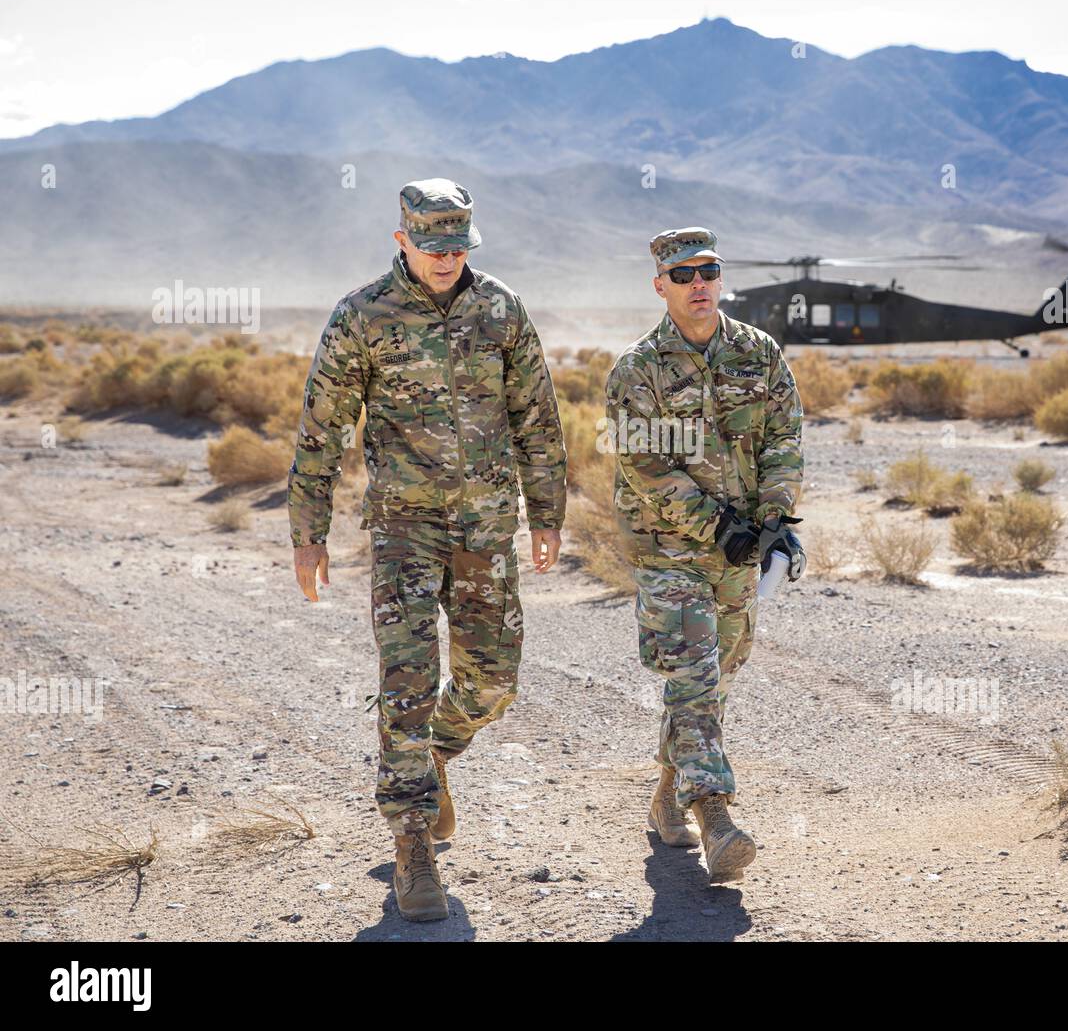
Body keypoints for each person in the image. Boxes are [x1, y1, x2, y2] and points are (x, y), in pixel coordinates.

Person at [288, 178, 566, 921]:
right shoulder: (363, 316)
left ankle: (435, 758)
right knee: (407, 684)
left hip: (486, 530)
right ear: (402, 240)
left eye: (458, 245)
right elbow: (322, 428)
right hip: (404, 532)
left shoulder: (501, 308)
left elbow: (536, 417)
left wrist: (547, 513)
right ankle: (413, 843)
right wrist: (307, 533)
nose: (447, 258)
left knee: (494, 681)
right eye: (433, 244)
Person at [604, 226, 803, 883]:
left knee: (715, 678)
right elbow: (645, 467)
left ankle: (667, 794)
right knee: (692, 673)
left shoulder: (759, 353)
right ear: (659, 284)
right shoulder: (637, 371)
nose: (698, 285)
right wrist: (718, 527)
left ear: (721, 276)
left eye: (708, 271)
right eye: (683, 275)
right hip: (669, 550)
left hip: (739, 553)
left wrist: (774, 522)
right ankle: (714, 816)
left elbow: (782, 440)